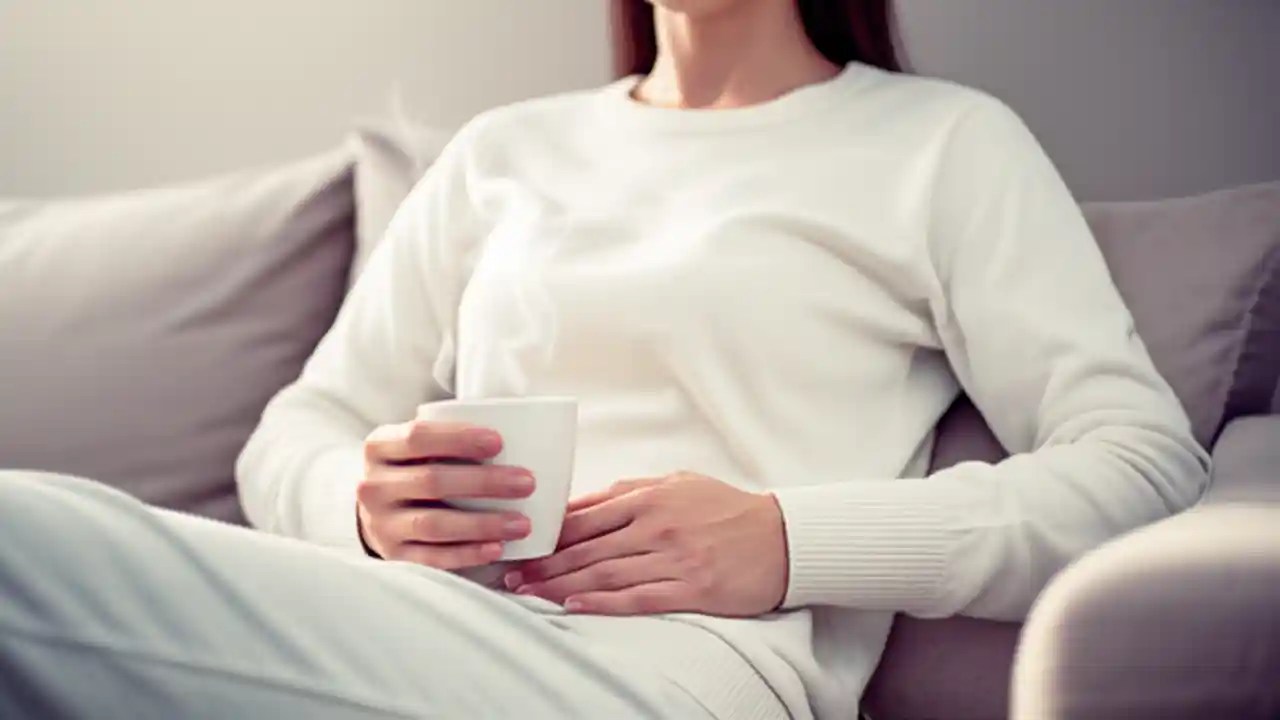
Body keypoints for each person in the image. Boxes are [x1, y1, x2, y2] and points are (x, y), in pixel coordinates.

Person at [0, 0, 1209, 718]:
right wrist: (362, 510)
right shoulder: (503, 153)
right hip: (421, 619)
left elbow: (1139, 464)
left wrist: (784, 540)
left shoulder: (942, 144)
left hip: (687, 673)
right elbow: (295, 436)